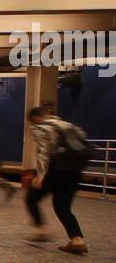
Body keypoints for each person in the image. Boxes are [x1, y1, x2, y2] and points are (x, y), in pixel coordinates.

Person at [24, 107, 89, 254]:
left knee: (31, 198)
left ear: (35, 118)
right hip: (74, 172)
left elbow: (44, 152)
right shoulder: (68, 125)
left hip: (55, 171)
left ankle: (41, 231)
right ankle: (77, 240)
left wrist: (40, 175)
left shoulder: (40, 128)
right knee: (63, 207)